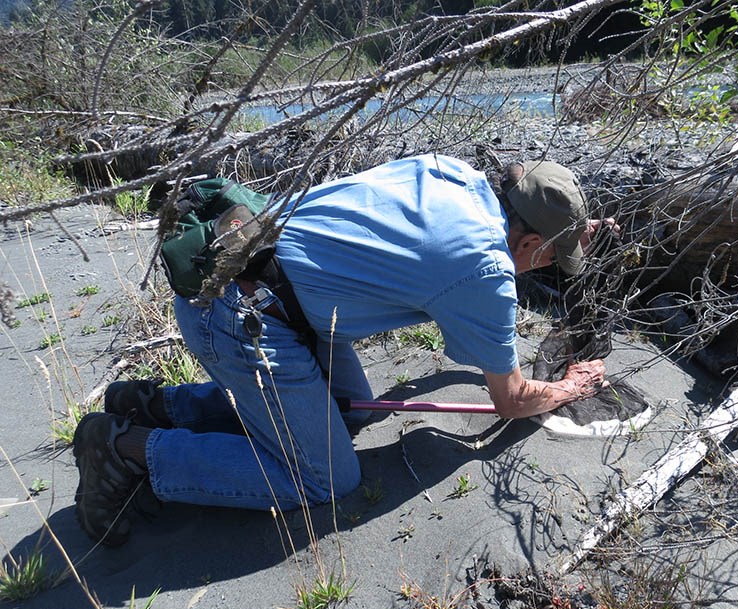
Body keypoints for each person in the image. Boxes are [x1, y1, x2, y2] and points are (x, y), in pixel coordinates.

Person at [72, 154, 611, 546]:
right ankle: (125, 448)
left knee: (349, 408)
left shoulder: (455, 174)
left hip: (267, 282)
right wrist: (569, 386)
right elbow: (512, 401)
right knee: (325, 477)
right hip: (242, 316)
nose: (540, 269)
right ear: (529, 244)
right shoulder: (487, 271)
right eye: (546, 260)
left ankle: (162, 406)